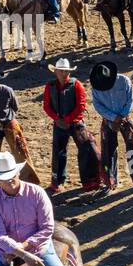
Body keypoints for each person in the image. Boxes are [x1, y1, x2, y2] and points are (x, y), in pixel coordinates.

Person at [42, 58, 104, 193]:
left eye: (65, 71)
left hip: (76, 123)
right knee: (58, 153)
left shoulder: (77, 85)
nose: (63, 74)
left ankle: (91, 180)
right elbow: (46, 106)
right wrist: (58, 119)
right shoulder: (50, 86)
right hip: (59, 123)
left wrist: (67, 120)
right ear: (56, 72)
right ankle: (57, 181)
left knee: (88, 149)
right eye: (61, 71)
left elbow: (81, 106)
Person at [90, 59, 133, 190]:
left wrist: (120, 116)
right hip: (109, 119)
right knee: (108, 151)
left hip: (124, 116)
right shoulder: (96, 87)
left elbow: (131, 100)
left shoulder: (124, 81)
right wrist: (113, 117)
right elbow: (98, 106)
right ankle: (110, 180)